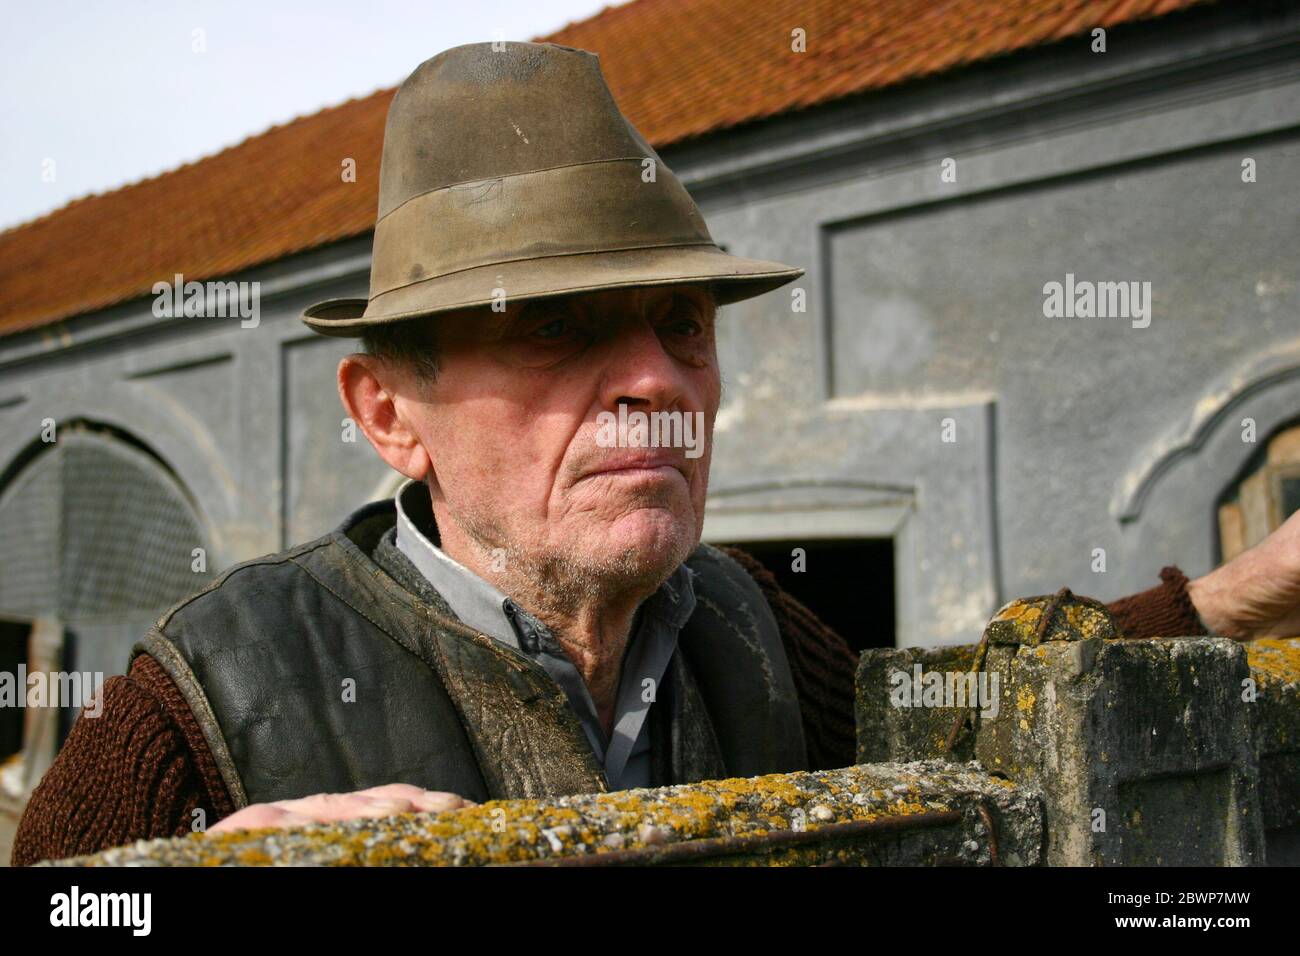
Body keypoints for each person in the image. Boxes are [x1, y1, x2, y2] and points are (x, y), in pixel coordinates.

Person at [13, 41, 1300, 865]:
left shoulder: (745, 624)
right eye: (557, 327)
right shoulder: (214, 689)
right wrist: (183, 874)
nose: (655, 379)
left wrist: (1243, 590)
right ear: (389, 411)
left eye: (682, 325)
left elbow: (962, 728)